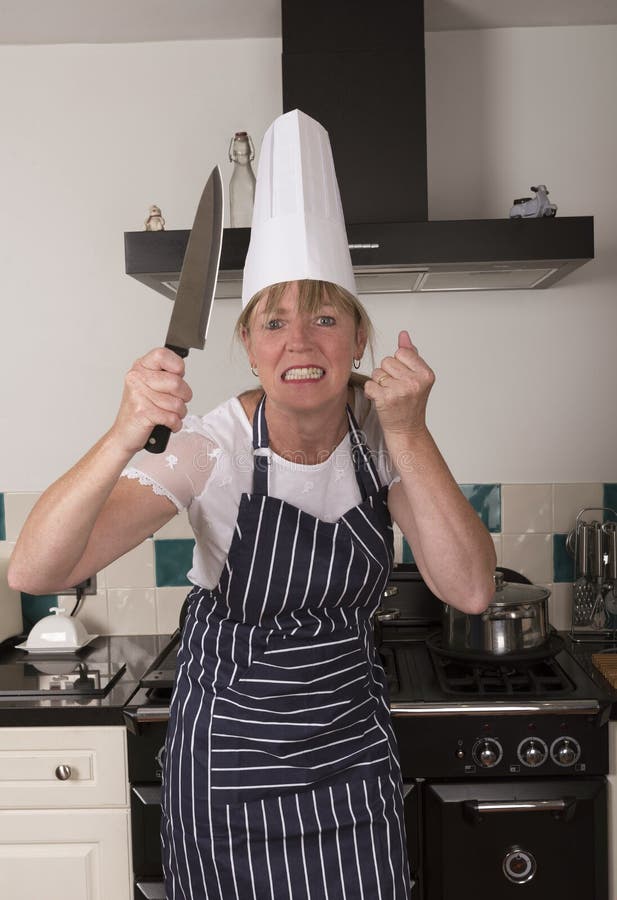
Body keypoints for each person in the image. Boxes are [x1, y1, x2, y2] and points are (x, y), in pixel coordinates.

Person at [9, 111, 496, 899]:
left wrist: (410, 430)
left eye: (324, 317)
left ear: (358, 339)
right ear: (248, 344)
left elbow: (469, 589)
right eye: (274, 321)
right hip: (227, 771)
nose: (299, 341)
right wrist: (123, 432)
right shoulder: (212, 447)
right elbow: (35, 570)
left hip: (349, 764)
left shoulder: (384, 430)